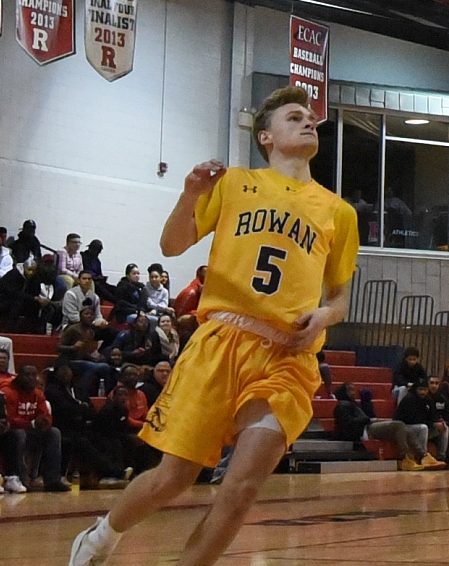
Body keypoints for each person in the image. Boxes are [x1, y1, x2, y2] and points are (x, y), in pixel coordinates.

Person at [66, 85, 359, 566]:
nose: (309, 122)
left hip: (286, 357)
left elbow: (341, 298)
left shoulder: (339, 212)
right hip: (221, 341)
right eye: (294, 117)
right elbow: (171, 246)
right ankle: (101, 536)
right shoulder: (236, 183)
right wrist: (189, 194)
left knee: (241, 490)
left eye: (311, 118)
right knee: (173, 478)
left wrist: (325, 315)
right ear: (266, 136)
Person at [2, 363, 66, 492]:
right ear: (19, 376)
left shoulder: (38, 394)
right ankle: (20, 479)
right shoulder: (8, 392)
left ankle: (52, 479)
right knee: (19, 434)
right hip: (10, 434)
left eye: (33, 375)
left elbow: (46, 415)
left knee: (54, 432)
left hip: (31, 432)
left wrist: (45, 422)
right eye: (27, 374)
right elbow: (9, 419)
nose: (31, 378)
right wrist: (31, 424)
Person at [392, 378, 449, 471]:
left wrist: (439, 423)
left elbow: (433, 415)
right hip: (405, 428)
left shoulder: (428, 400)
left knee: (444, 427)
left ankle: (441, 456)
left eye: (425, 390)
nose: (423, 392)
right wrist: (433, 424)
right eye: (420, 389)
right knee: (423, 428)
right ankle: (423, 457)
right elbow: (413, 420)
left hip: (421, 426)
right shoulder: (409, 399)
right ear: (416, 389)